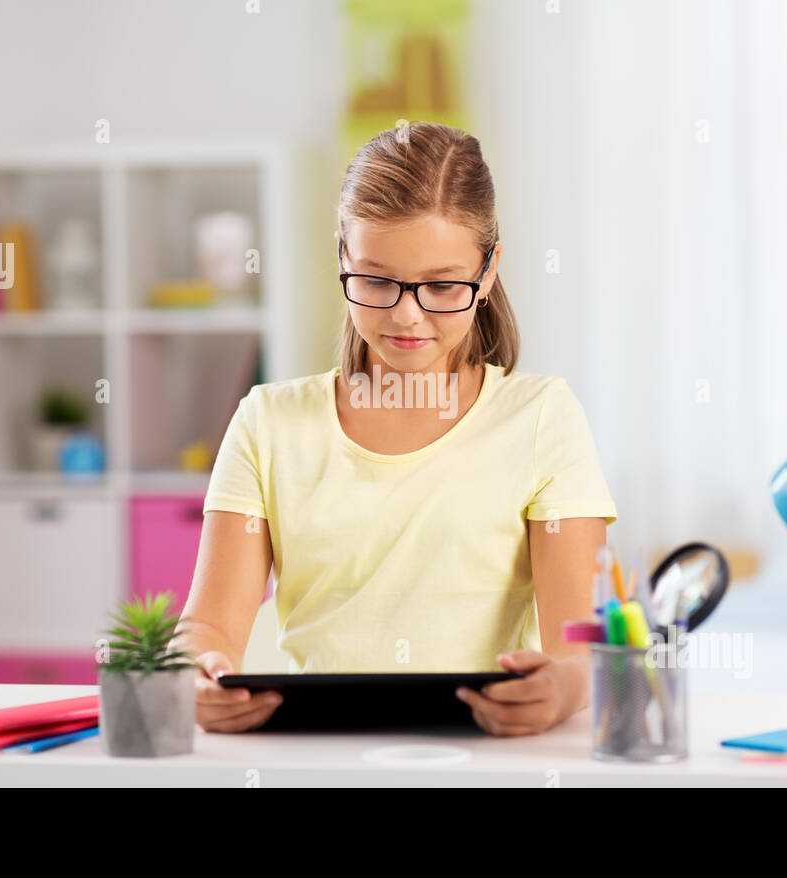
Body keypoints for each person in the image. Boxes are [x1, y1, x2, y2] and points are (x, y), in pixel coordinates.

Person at [181, 121, 616, 736]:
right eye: (378, 280)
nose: (407, 315)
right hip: (315, 756)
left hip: (485, 759)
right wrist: (197, 673)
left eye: (442, 285)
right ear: (342, 257)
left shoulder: (542, 417)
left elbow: (584, 646)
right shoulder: (268, 422)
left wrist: (564, 688)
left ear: (487, 272)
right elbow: (207, 629)